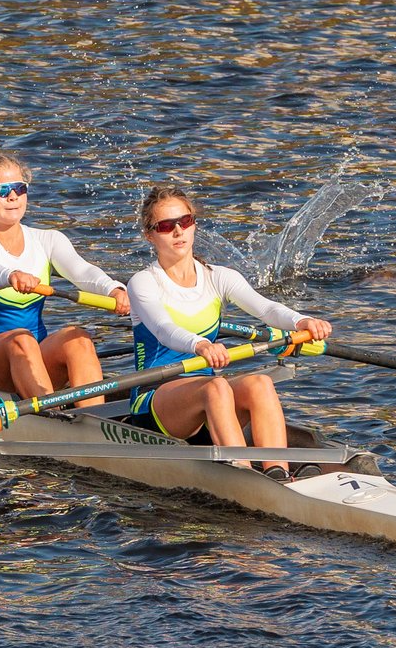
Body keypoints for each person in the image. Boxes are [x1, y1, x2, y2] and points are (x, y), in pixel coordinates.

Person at [121, 183, 332, 478]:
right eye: (167, 226)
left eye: (185, 221)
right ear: (150, 235)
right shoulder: (143, 282)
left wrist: (301, 322)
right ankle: (243, 476)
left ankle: (278, 472)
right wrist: (201, 345)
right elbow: (164, 329)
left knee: (260, 383)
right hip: (155, 401)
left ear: (194, 224)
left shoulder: (219, 277)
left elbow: (267, 309)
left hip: (207, 396)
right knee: (217, 386)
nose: (178, 231)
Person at [0, 152, 129, 398]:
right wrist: (11, 275)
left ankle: (90, 421)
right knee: (21, 339)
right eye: (1, 190)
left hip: (35, 356)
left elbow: (82, 270)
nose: (13, 196)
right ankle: (50, 417)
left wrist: (113, 289)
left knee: (78, 338)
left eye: (20, 188)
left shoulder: (48, 239)